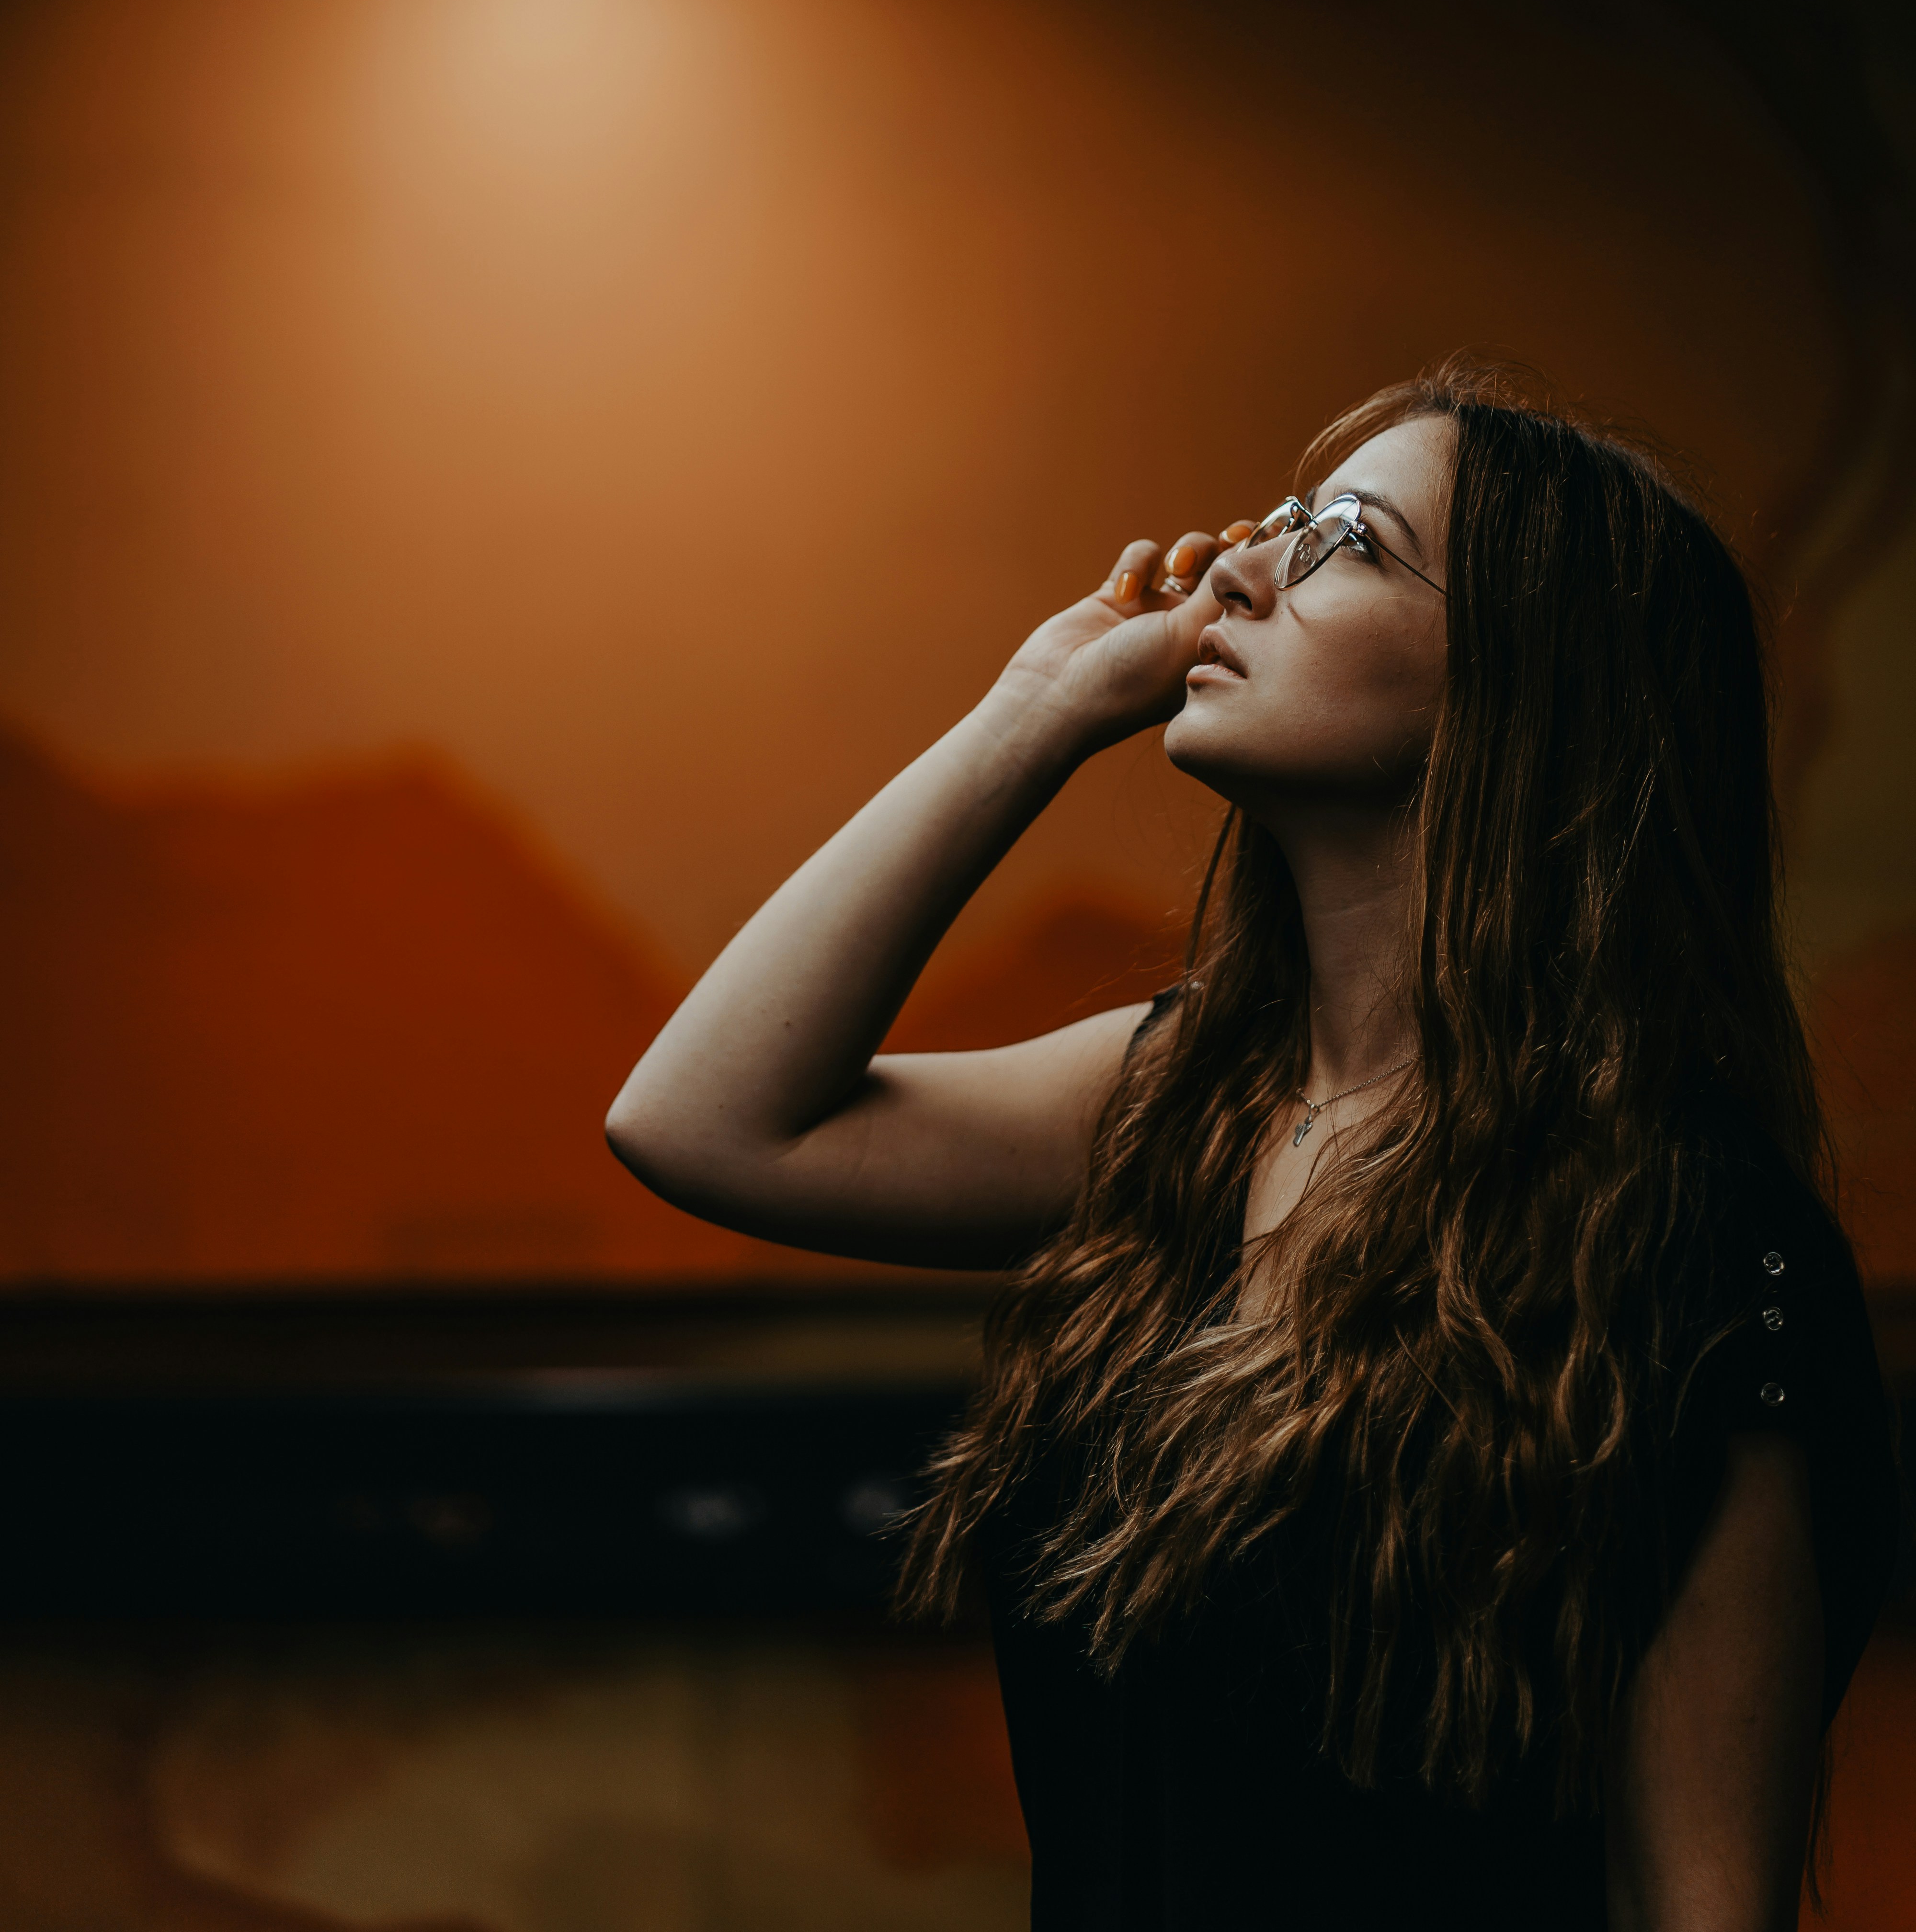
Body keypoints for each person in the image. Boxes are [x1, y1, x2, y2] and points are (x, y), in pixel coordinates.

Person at [605, 359, 1898, 1931]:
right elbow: (703, 1120)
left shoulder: (1697, 1239)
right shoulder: (1174, 1105)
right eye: (1276, 520)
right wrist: (1036, 710)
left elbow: (1702, 1904)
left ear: (1521, 685)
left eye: (1342, 539)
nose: (1236, 563)